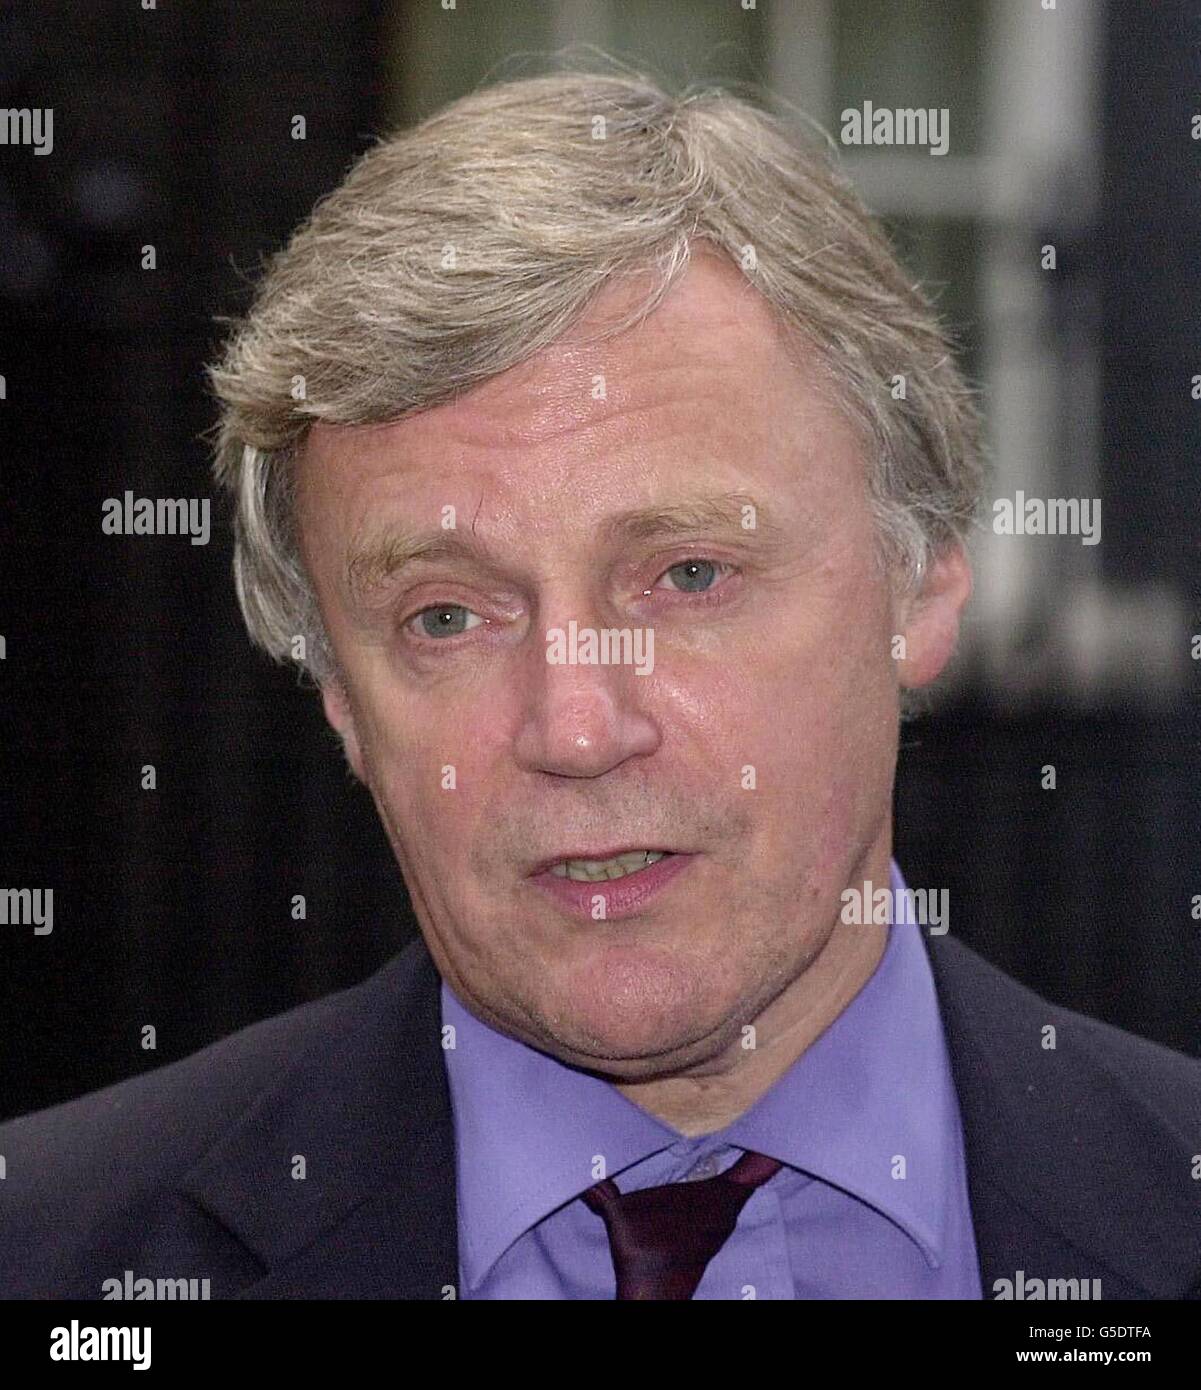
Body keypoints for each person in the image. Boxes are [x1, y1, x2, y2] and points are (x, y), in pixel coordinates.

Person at [2, 71, 1198, 1301]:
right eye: (448, 615)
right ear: (339, 700)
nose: (576, 726)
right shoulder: (57, 1256)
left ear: (925, 580)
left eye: (687, 575)